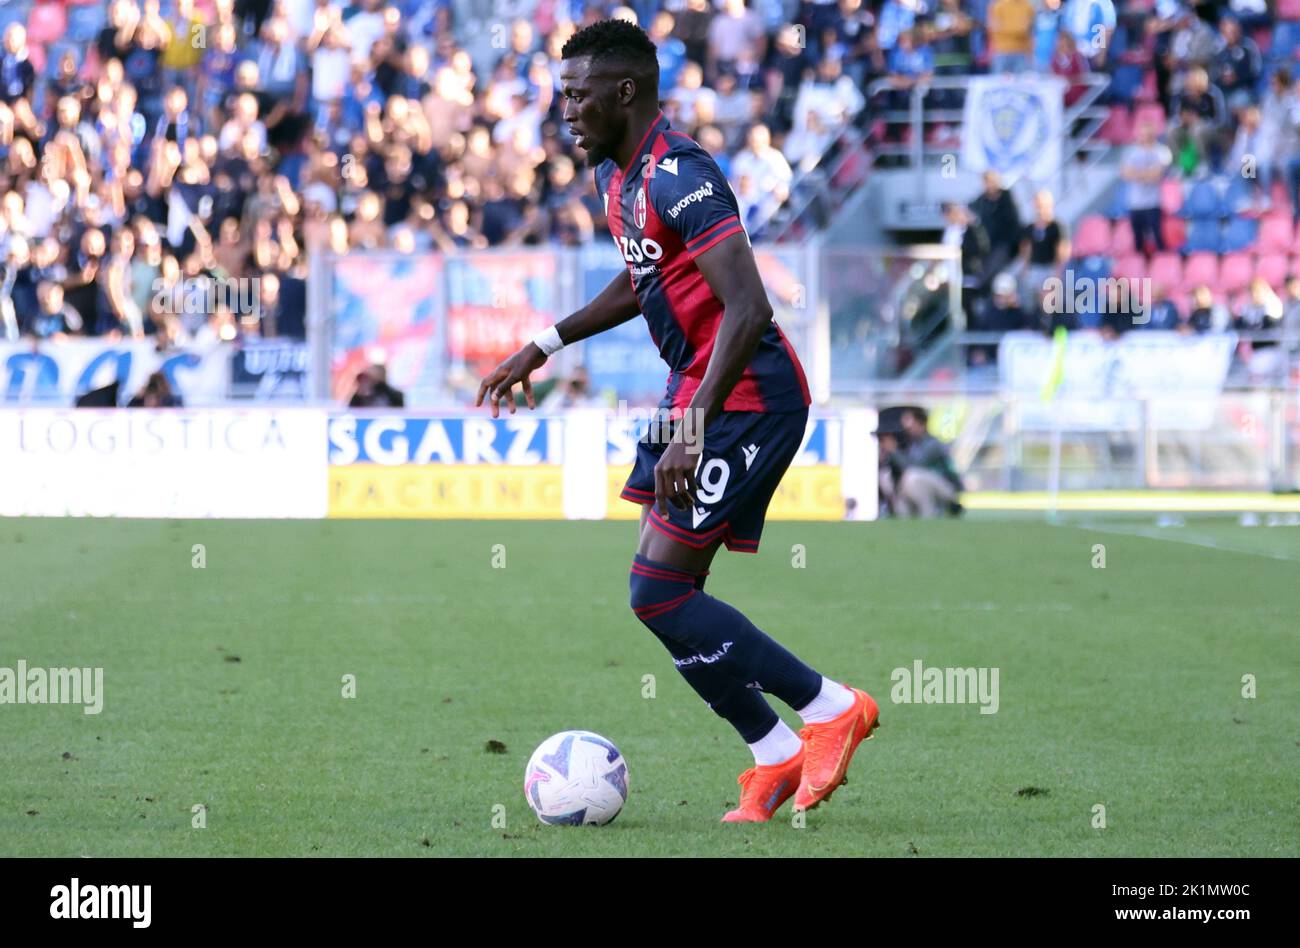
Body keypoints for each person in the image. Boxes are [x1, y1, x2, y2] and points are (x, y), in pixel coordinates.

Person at [476, 19, 878, 825]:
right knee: (664, 592)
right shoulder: (616, 178)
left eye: (578, 96)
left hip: (749, 395)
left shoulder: (680, 175)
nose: (566, 111)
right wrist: (544, 342)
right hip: (693, 389)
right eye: (562, 95)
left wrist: (691, 429)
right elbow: (643, 280)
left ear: (625, 93)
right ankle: (773, 756)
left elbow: (748, 304)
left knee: (658, 589)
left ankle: (830, 708)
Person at [880, 408, 964, 517]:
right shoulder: (911, 444)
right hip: (916, 484)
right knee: (886, 476)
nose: (907, 429)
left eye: (910, 425)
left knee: (912, 476)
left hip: (945, 487)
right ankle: (903, 516)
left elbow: (914, 466)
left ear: (922, 424)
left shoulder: (932, 443)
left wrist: (894, 450)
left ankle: (930, 512)